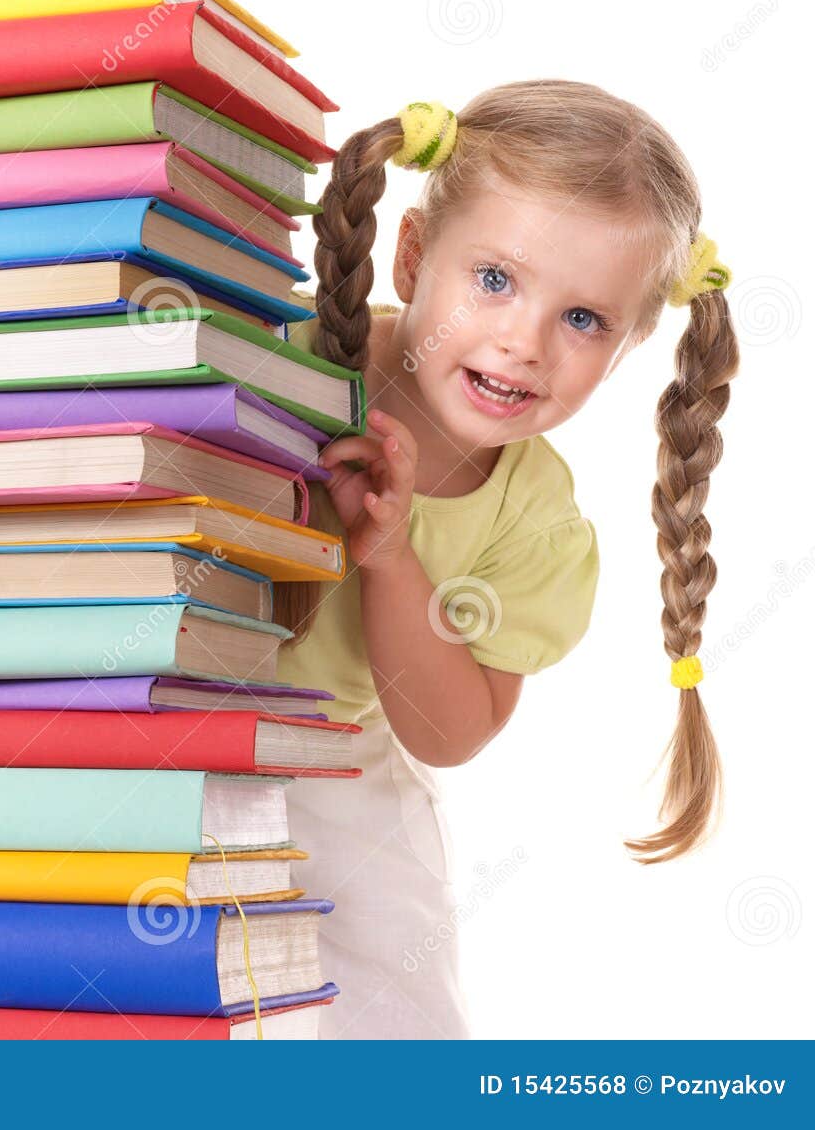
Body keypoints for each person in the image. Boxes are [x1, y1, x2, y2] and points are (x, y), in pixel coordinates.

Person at [276, 84, 737, 1038]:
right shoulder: (276, 354)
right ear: (412, 255)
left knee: (394, 1017)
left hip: (330, 758)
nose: (524, 343)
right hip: (139, 728)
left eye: (583, 321)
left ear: (633, 343)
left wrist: (394, 557)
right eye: (495, 280)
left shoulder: (535, 521)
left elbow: (448, 733)